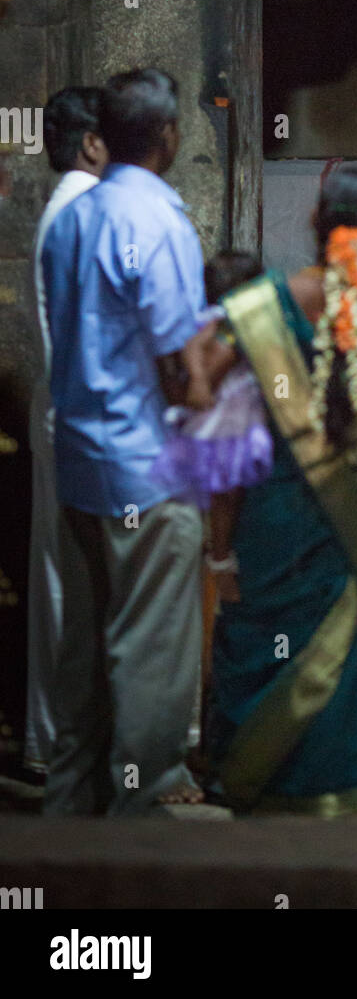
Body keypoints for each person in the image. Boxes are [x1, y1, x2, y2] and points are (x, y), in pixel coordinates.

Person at [204, 165, 357, 815]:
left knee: (259, 652)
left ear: (314, 224)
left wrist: (217, 552)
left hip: (262, 524)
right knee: (336, 667)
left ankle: (252, 795)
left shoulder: (253, 311)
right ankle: (338, 817)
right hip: (338, 532)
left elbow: (221, 439)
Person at [41, 67, 207, 815]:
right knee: (149, 665)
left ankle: (65, 830)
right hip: (145, 469)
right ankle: (133, 836)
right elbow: (179, 362)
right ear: (168, 138)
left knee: (85, 663)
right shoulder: (157, 222)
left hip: (81, 466)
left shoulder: (72, 215)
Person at [24, 87, 108, 777]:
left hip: (68, 409)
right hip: (81, 416)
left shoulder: (69, 208)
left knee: (67, 580)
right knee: (73, 585)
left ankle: (59, 739)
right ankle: (63, 745)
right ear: (90, 144)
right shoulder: (81, 211)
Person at [150, 249, 274, 581]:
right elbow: (196, 354)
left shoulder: (221, 319)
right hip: (223, 421)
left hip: (228, 417)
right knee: (225, 493)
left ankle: (214, 555)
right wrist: (202, 382)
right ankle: (219, 558)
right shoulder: (224, 321)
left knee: (222, 494)